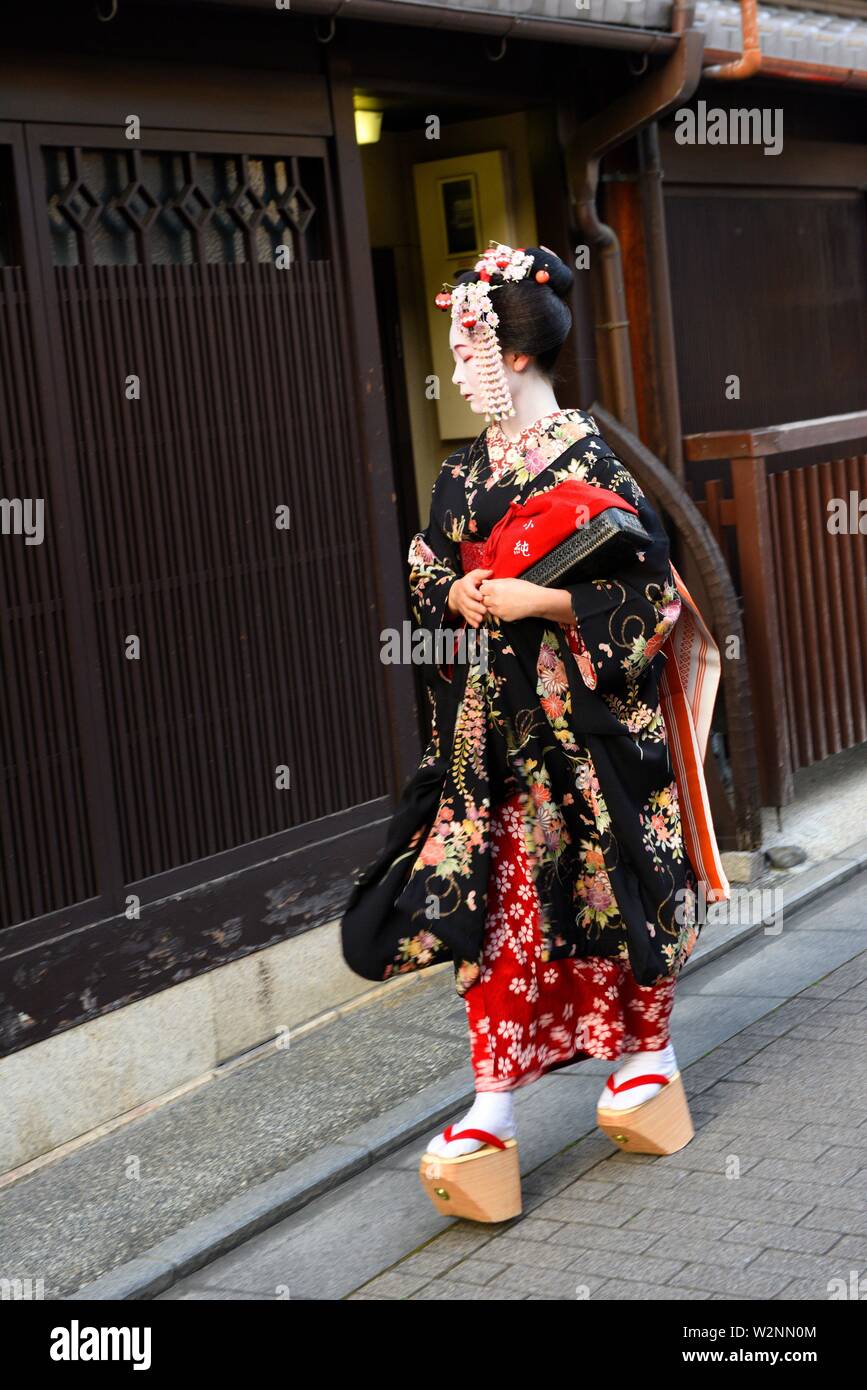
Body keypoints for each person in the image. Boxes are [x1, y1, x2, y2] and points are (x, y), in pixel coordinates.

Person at [401, 243, 727, 1207]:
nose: (455, 370)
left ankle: (649, 1057)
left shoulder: (592, 464)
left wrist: (542, 604)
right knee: (501, 903)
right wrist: (456, 588)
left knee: (615, 880)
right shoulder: (463, 474)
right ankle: (495, 1102)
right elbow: (425, 565)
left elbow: (650, 597)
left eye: (467, 352)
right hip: (495, 730)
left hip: (588, 732)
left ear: (513, 358)